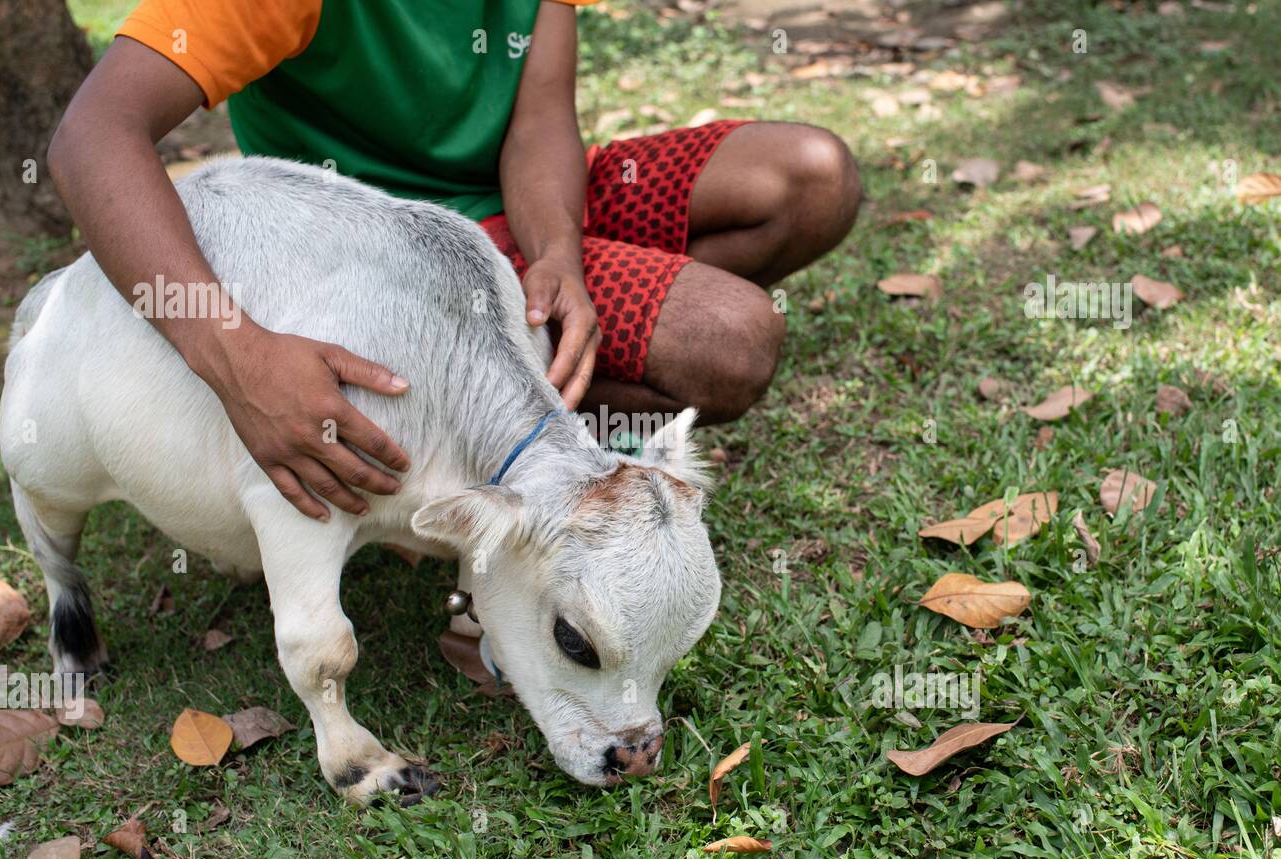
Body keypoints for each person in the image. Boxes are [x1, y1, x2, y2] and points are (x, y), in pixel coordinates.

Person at [48, 0, 861, 521]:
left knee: (811, 176)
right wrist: (239, 359)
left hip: (519, 207)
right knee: (730, 337)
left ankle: (510, 416)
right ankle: (499, 460)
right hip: (393, 260)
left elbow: (539, 116)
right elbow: (92, 138)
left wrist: (559, 254)